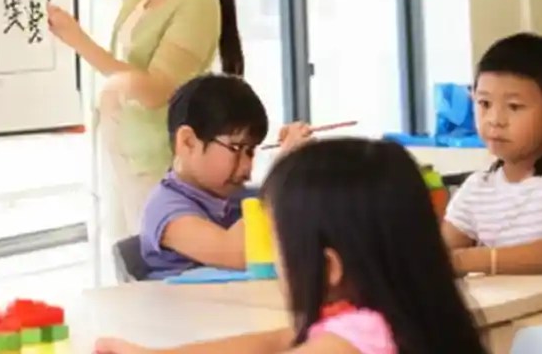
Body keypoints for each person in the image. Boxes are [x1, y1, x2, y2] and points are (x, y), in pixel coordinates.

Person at [6, 0, 242, 242]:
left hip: (157, 163)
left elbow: (154, 90)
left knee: (152, 274)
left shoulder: (199, 0)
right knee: (126, 266)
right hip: (122, 152)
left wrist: (79, 41)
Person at [95, 139, 488, 354]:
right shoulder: (409, 315)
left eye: (278, 246)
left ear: (329, 267)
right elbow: (269, 342)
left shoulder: (350, 340)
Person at [443, 33, 542, 275]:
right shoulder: (477, 188)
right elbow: (437, 255)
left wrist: (471, 260)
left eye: (514, 107)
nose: (495, 120)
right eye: (484, 104)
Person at [138, 75, 308, 279]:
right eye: (236, 149)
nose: (247, 167)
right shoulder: (165, 209)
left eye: (251, 151)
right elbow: (239, 253)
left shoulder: (237, 196)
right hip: (192, 310)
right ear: (188, 142)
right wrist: (283, 170)